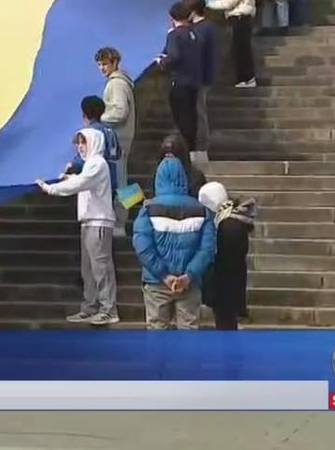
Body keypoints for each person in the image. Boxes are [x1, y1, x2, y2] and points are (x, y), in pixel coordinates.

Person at [37, 129, 118, 326]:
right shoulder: (91, 164)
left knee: (101, 268)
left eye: (84, 142)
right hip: (89, 221)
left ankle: (108, 309)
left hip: (99, 222)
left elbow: (81, 183)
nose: (80, 147)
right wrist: (66, 180)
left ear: (94, 142)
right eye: (78, 143)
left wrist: (51, 188)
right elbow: (79, 181)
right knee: (88, 270)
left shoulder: (97, 163)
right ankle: (90, 306)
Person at [131, 156, 216, 330]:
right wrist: (188, 275)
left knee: (157, 332)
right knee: (189, 333)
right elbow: (207, 249)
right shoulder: (201, 210)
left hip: (156, 282)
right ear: (183, 178)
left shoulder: (148, 209)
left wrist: (164, 275)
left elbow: (143, 247)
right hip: (189, 283)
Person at [197, 182, 256, 331]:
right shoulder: (231, 222)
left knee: (225, 324)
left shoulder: (228, 226)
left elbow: (226, 259)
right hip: (231, 284)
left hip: (225, 286)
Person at [93, 47, 135, 231]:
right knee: (123, 181)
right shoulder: (120, 82)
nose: (102, 68)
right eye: (100, 64)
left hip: (117, 141)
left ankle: (121, 222)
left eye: (105, 64)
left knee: (120, 183)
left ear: (114, 63)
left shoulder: (116, 84)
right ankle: (124, 218)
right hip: (121, 139)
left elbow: (120, 112)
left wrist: (99, 118)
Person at [206, 0, 259, 88]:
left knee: (240, 50)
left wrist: (209, 3)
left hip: (240, 19)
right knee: (241, 49)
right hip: (241, 19)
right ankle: (246, 78)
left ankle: (246, 78)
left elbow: (229, 3)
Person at [156, 2, 201, 152]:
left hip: (180, 81)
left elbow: (174, 56)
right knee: (191, 116)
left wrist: (162, 61)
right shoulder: (194, 33)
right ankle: (192, 148)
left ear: (171, 18)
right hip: (194, 81)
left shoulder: (174, 35)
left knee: (182, 117)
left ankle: (184, 149)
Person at [181, 0, 217, 168]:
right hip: (194, 78)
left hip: (200, 78)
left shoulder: (204, 28)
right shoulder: (201, 28)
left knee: (199, 113)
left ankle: (201, 149)